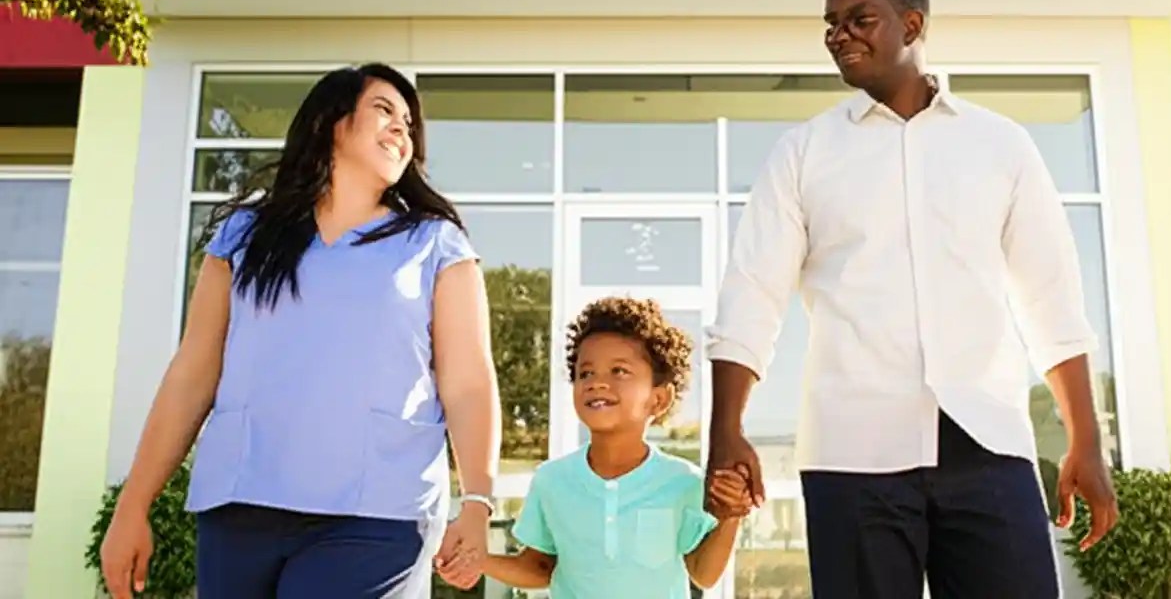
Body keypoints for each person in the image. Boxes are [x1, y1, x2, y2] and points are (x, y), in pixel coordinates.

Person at [704, 0, 1120, 598]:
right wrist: (726, 427)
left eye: (860, 20)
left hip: (989, 444)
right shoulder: (803, 152)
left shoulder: (1001, 145)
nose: (839, 36)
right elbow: (753, 293)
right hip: (851, 455)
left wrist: (1085, 440)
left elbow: (1051, 299)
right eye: (831, 25)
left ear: (913, 23)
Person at [97, 64, 501, 598]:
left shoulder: (436, 245)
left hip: (376, 515)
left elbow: (468, 383)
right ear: (327, 123)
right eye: (384, 110)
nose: (402, 129)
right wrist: (134, 505)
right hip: (241, 508)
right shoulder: (244, 236)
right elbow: (194, 373)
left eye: (409, 122)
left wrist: (477, 501)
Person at [447, 297, 751, 597]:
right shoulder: (552, 480)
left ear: (658, 399)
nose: (596, 383)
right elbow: (539, 567)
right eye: (586, 373)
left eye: (618, 371)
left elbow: (704, 574)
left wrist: (730, 516)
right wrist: (481, 561)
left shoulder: (683, 481)